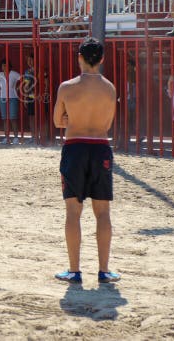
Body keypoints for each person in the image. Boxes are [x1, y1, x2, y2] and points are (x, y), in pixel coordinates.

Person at [52, 37, 120, 284]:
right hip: (100, 148)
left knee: (73, 212)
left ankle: (74, 270)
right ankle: (104, 270)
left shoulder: (67, 87)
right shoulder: (110, 88)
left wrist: (73, 118)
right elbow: (108, 124)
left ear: (79, 57)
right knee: (103, 213)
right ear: (101, 59)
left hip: (75, 148)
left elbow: (58, 121)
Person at [0, 59, 21, 144]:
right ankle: (7, 137)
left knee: (13, 118)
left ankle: (16, 137)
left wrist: (18, 87)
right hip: (2, 98)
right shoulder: (0, 75)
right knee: (5, 119)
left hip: (13, 98)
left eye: (6, 65)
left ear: (9, 66)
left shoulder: (13, 73)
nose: (4, 67)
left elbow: (23, 79)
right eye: (3, 65)